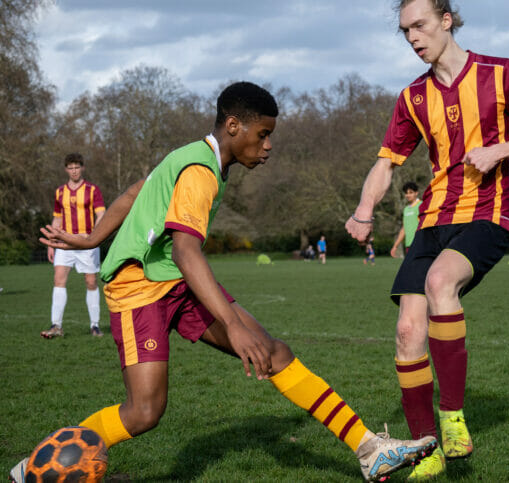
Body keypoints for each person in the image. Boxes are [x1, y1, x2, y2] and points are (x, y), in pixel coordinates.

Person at [18, 82, 436, 483]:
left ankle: (368, 449)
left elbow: (133, 193)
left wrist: (93, 236)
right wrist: (232, 325)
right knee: (144, 412)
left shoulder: (193, 157)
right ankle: (38, 469)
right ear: (234, 126)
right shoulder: (199, 170)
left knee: (274, 352)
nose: (268, 145)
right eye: (264, 134)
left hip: (174, 282)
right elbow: (186, 250)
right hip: (138, 288)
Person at [344, 0, 509, 478]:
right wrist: (363, 211)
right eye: (405, 32)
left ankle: (452, 417)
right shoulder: (412, 97)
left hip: (488, 214)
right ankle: (426, 449)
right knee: (406, 332)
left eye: (420, 26)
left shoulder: (501, 72)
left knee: (441, 282)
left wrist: (500, 149)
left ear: (447, 21)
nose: (413, 39)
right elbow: (387, 164)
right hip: (433, 220)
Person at [42, 153, 106, 339]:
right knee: (59, 279)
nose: (74, 170)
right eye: (71, 167)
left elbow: (101, 214)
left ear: (82, 168)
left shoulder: (92, 190)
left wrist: (93, 234)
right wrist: (51, 244)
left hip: (87, 244)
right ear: (66, 170)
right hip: (64, 243)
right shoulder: (59, 192)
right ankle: (56, 326)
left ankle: (94, 325)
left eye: (77, 167)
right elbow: (57, 218)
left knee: (91, 282)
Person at [389, 182, 421, 258]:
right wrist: (395, 246)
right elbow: (404, 229)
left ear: (416, 193)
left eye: (411, 192)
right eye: (406, 193)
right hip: (408, 245)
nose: (408, 195)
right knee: (411, 269)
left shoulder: (421, 206)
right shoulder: (406, 209)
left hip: (420, 244)